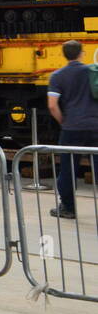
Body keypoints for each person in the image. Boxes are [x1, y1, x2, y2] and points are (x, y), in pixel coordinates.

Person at [46, 40, 98, 219]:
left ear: (64, 54)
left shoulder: (57, 76)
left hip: (72, 128)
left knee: (68, 170)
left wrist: (63, 121)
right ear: (82, 53)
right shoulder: (92, 72)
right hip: (95, 126)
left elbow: (52, 105)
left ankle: (68, 208)